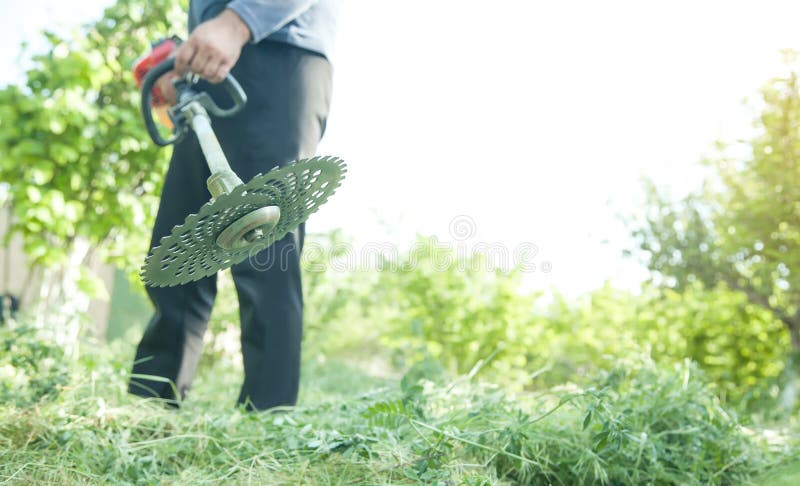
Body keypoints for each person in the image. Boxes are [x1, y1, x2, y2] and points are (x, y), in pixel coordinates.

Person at [129, 0, 340, 411]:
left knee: (266, 250)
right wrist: (185, 55)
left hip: (277, 51)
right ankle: (149, 412)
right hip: (213, 63)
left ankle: (268, 422)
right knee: (177, 253)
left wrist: (238, 21)